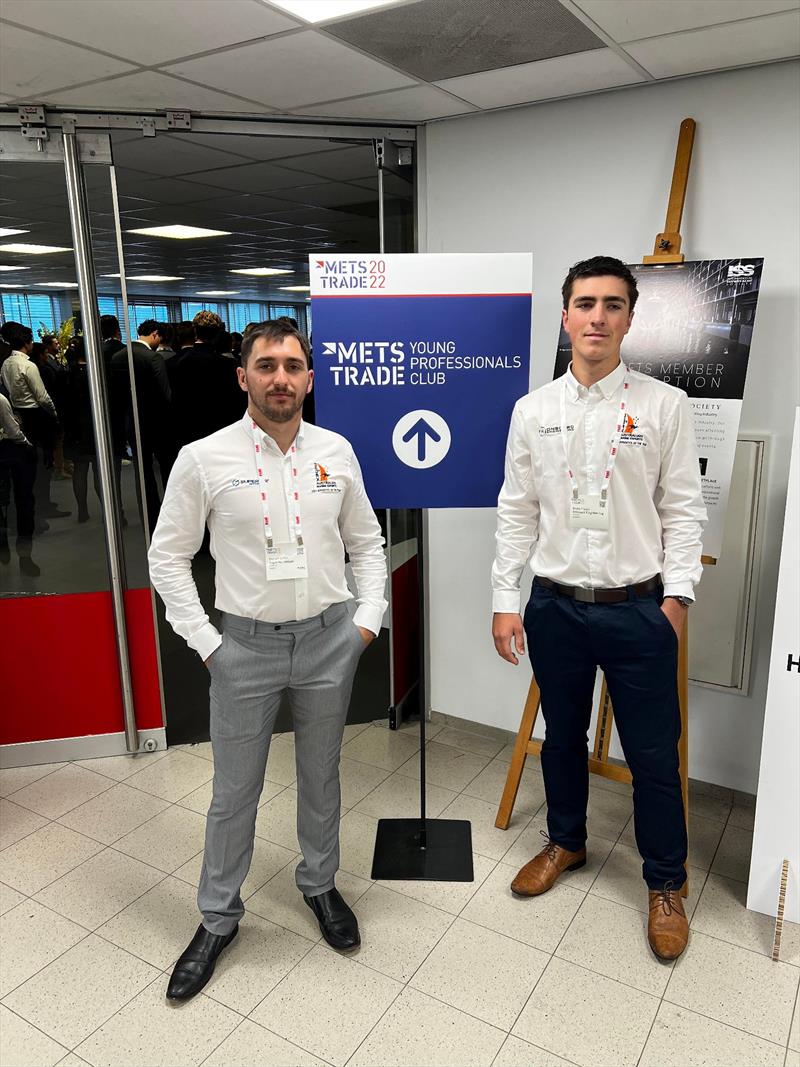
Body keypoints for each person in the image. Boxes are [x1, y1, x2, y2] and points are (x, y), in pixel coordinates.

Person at [148, 319, 387, 1002]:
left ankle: (319, 884)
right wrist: (209, 643)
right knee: (233, 791)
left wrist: (365, 623)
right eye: (266, 365)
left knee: (322, 774)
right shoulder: (204, 458)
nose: (280, 377)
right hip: (243, 647)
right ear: (242, 376)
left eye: (292, 365)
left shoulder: (337, 452)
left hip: (327, 640)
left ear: (310, 377)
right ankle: (218, 917)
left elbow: (366, 542)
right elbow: (167, 558)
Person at [491, 255, 706, 962]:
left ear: (629, 318)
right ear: (565, 316)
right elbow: (516, 510)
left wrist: (677, 600)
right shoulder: (534, 410)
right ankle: (566, 841)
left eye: (613, 305)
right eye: (585, 303)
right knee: (562, 737)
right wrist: (504, 599)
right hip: (555, 606)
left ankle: (666, 883)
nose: (597, 317)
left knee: (652, 753)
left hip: (637, 608)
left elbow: (683, 509)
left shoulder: (663, 406)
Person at [0, 322, 69, 528]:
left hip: (18, 414)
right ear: (27, 342)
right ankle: (43, 506)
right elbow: (42, 397)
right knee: (43, 463)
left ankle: (38, 506)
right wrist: (54, 414)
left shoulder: (5, 364)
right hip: (36, 416)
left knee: (29, 464)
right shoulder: (28, 365)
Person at [169, 310, 245, 446]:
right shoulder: (230, 365)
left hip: (186, 430)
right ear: (218, 334)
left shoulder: (176, 362)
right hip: (221, 431)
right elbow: (237, 403)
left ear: (195, 332)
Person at [0, 392, 38, 576]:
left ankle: (4, 545)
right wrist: (27, 444)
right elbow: (14, 431)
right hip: (13, 451)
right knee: (24, 503)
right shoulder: (1, 399)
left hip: (9, 451)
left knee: (4, 504)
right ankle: (24, 555)